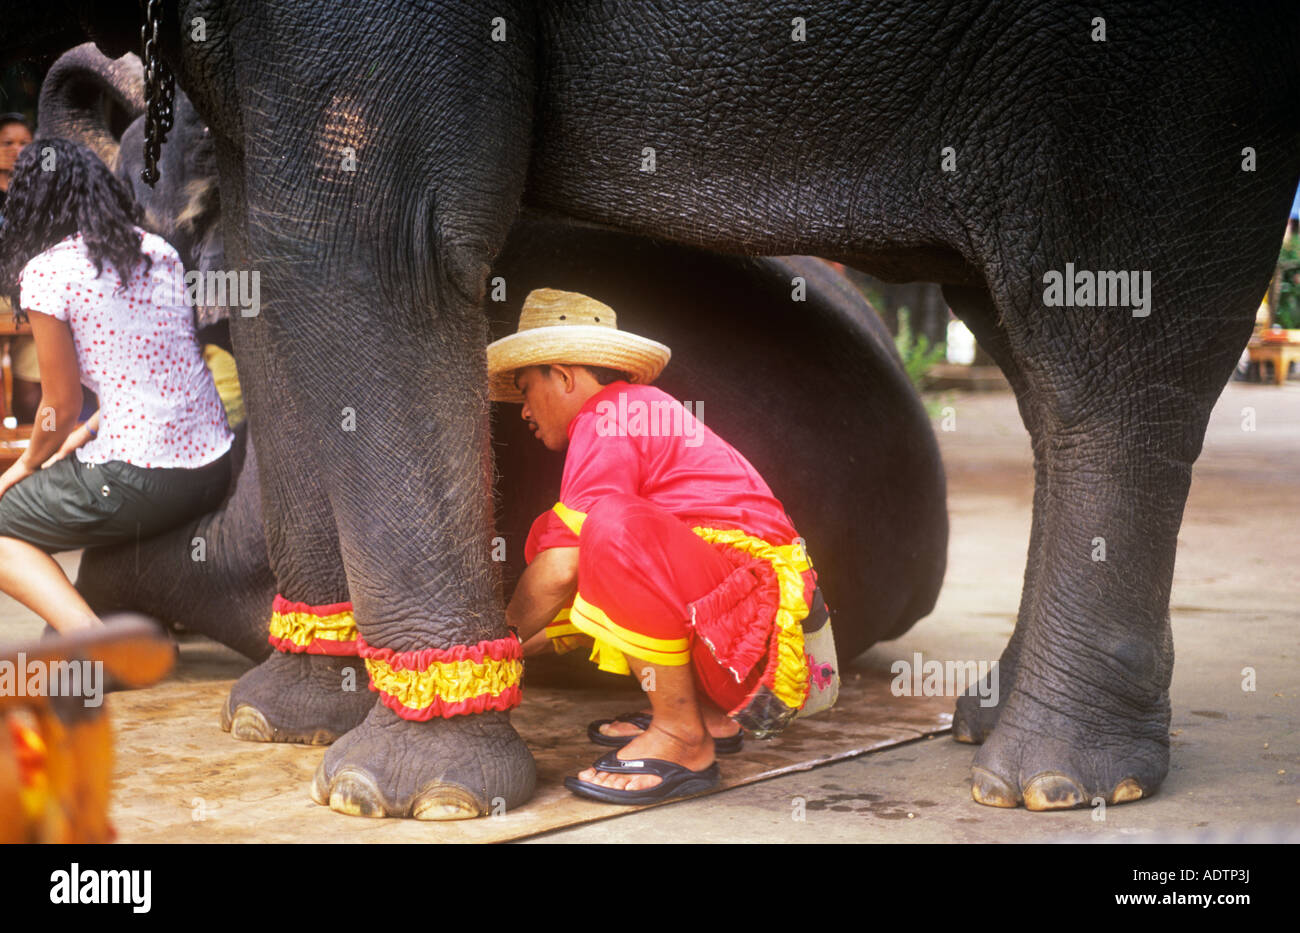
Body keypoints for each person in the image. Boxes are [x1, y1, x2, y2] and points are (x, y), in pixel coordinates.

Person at [490, 287, 839, 804]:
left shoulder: (608, 416)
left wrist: (491, 644)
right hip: (763, 670)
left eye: (524, 388)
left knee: (607, 528)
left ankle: (682, 736)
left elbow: (563, 569)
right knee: (568, 530)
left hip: (766, 667)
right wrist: (516, 650)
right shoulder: (638, 409)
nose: (522, 410)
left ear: (562, 376)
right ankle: (712, 719)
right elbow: (575, 580)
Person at [0, 138, 234, 633]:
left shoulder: (46, 273)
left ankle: (93, 642)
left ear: (31, 204)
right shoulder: (159, 252)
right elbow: (159, 371)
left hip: (140, 477)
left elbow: (59, 406)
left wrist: (23, 465)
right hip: (213, 466)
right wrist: (84, 436)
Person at [0, 113, 42, 420]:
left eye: (24, 143)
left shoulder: (45, 194)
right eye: (7, 143)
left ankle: (35, 462)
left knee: (32, 393)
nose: (16, 150)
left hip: (32, 298)